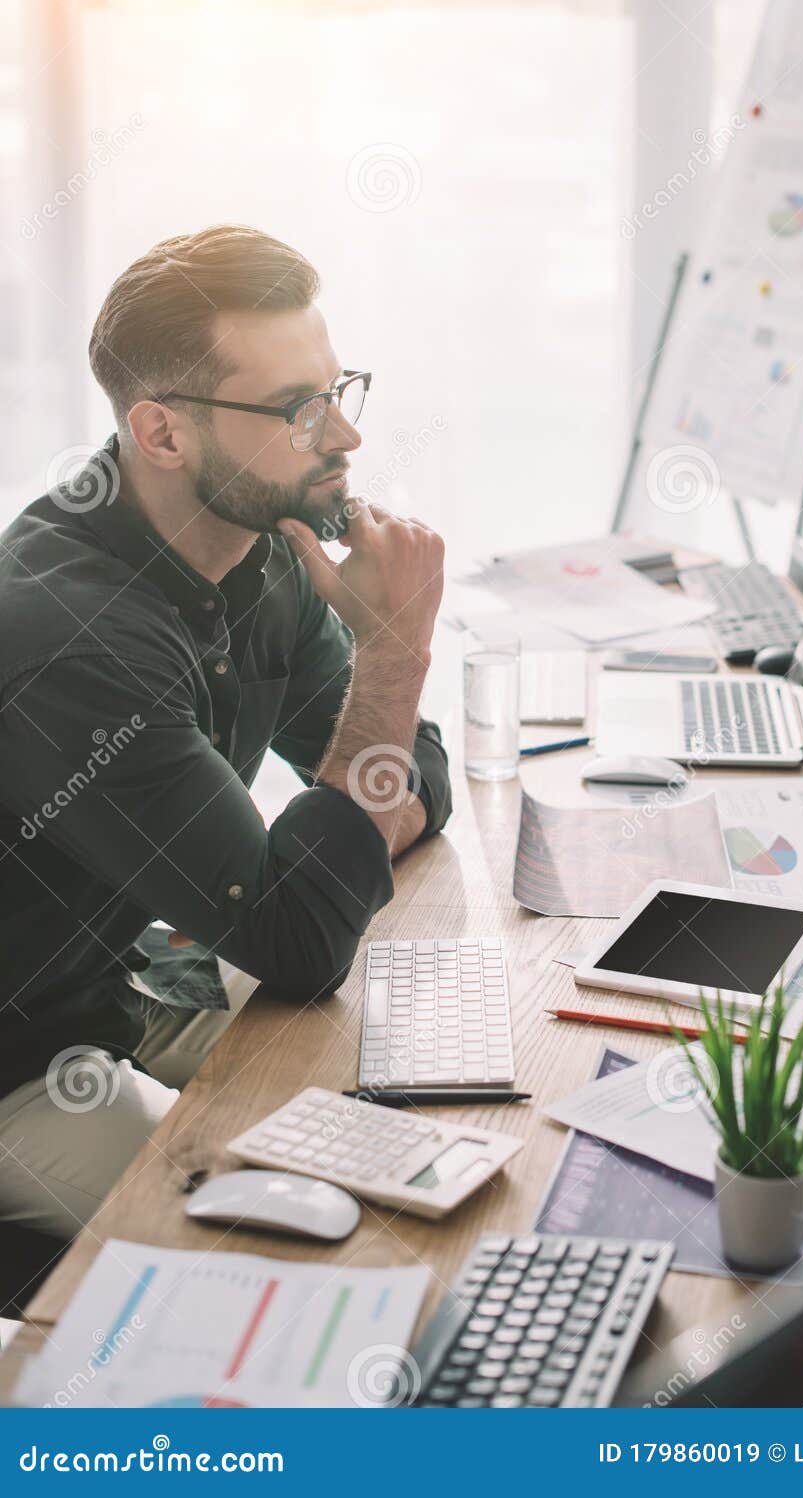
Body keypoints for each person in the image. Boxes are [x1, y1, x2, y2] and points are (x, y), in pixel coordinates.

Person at [0, 224, 451, 1240]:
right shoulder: (75, 641)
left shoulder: (261, 544)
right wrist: (392, 658)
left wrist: (342, 823)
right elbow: (298, 938)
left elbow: (421, 781)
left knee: (418, 1083)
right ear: (162, 434)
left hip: (132, 970)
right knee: (291, 1242)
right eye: (297, 408)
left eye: (339, 390)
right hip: (20, 1058)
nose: (345, 437)